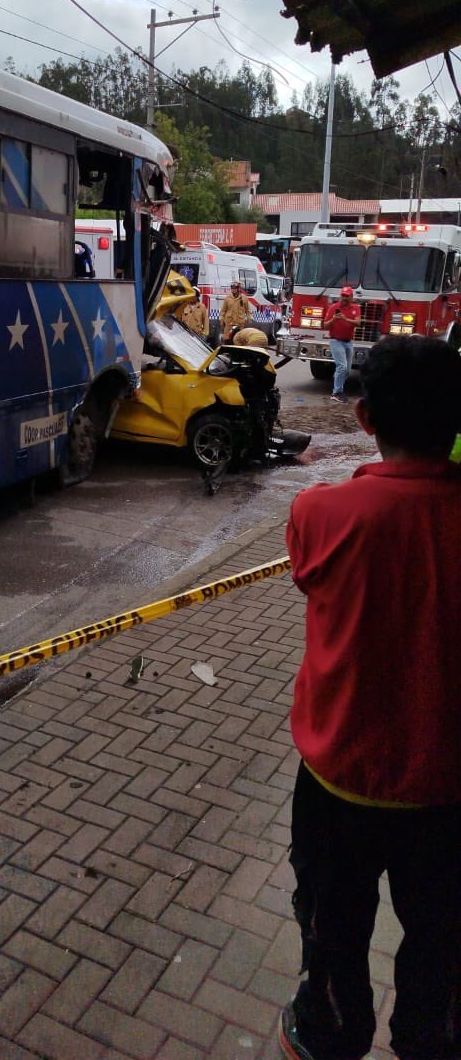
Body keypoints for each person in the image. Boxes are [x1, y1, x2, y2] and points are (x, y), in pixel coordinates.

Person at [280, 334, 461, 1060]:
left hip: (339, 784)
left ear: (364, 419)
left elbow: (306, 572)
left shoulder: (322, 514)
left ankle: (331, 1032)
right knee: (443, 945)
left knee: (332, 932)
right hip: (449, 796)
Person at [323, 285, 361, 401]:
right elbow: (325, 325)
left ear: (351, 297)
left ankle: (338, 385)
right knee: (342, 366)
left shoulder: (356, 308)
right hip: (336, 340)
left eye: (347, 296)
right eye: (343, 295)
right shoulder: (333, 307)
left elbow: (358, 323)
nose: (344, 298)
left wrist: (345, 319)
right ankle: (337, 392)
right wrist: (334, 319)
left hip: (348, 342)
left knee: (347, 370)